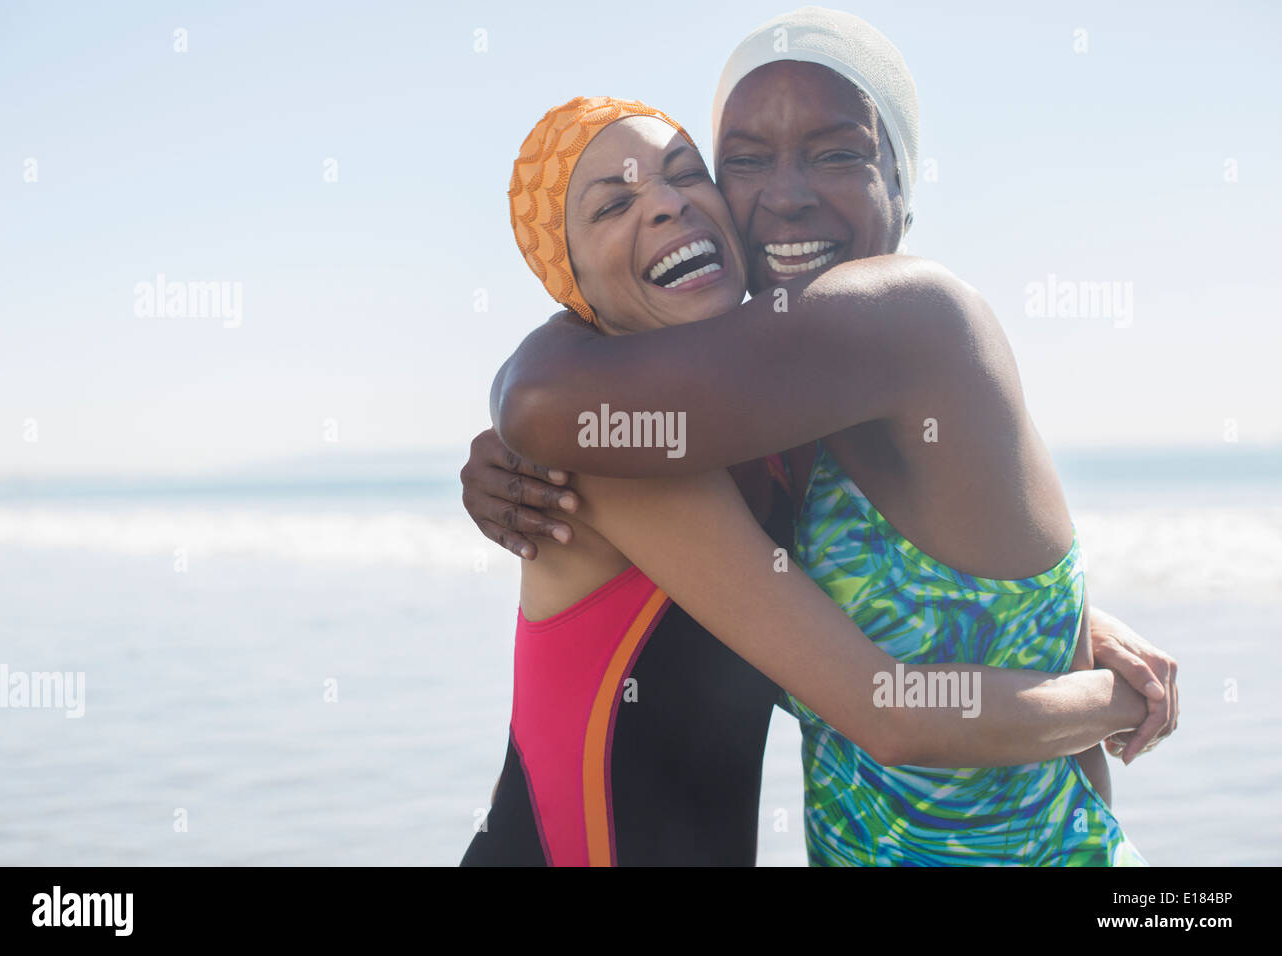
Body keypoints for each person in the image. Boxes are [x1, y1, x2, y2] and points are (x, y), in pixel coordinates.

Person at [463, 90, 1150, 867]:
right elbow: (887, 713)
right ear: (570, 282)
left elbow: (842, 601)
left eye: (686, 173)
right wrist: (1116, 701)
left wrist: (1073, 626)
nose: (664, 206)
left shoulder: (767, 433)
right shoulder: (622, 459)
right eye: (613, 204)